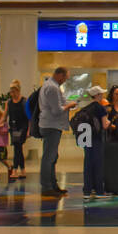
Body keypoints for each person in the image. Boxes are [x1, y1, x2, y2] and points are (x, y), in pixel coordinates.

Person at [38, 67, 78, 195]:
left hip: (51, 125)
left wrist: (67, 104)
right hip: (51, 126)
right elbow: (57, 110)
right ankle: (47, 187)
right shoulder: (52, 88)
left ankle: (52, 184)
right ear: (60, 75)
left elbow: (58, 104)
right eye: (65, 78)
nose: (64, 81)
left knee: (52, 156)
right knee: (49, 157)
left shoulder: (50, 86)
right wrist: (69, 106)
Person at [76, 85, 109, 198]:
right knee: (98, 164)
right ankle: (99, 191)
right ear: (97, 95)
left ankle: (87, 191)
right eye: (101, 94)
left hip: (86, 139)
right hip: (97, 139)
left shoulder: (87, 108)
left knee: (88, 164)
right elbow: (105, 125)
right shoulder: (100, 108)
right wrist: (110, 122)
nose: (103, 95)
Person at [5, 81, 28, 181]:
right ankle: (22, 169)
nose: (12, 94)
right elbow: (5, 115)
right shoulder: (9, 102)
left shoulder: (24, 101)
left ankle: (15, 169)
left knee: (17, 148)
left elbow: (29, 117)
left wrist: (29, 131)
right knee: (18, 149)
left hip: (22, 127)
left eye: (14, 92)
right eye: (11, 92)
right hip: (13, 127)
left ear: (18, 91)